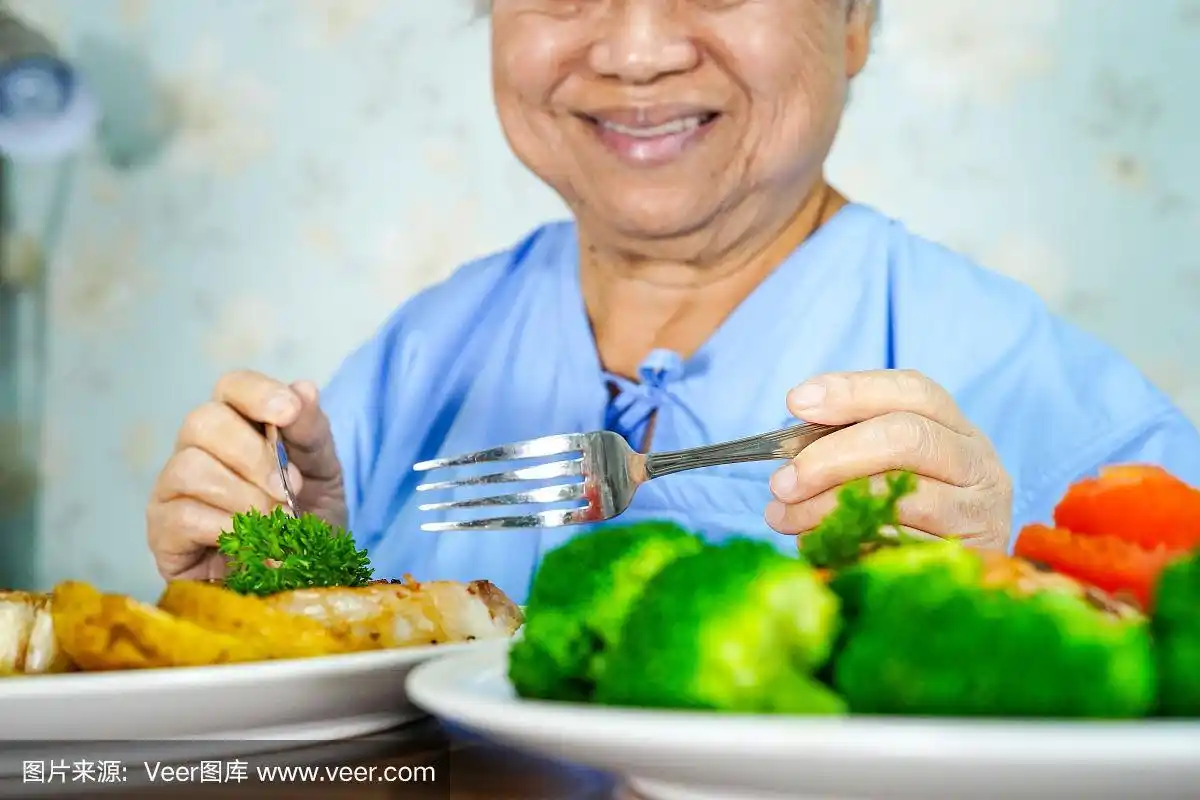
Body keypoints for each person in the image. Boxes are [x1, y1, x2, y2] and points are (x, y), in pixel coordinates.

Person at [146, 0, 1200, 602]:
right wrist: (264, 603)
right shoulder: (414, 362)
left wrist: (1011, 599)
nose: (637, 48)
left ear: (854, 25)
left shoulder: (1066, 409)